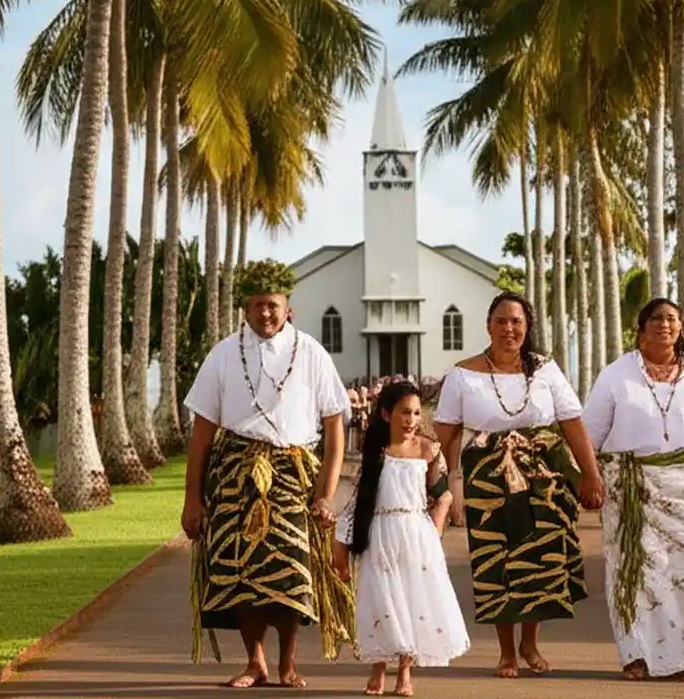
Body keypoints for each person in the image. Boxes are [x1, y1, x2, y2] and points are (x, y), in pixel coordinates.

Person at [179, 259, 355, 689]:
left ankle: (287, 663)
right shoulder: (222, 355)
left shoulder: (312, 352)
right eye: (257, 305)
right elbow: (202, 437)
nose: (266, 314)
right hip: (234, 476)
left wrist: (325, 494)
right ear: (245, 308)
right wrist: (192, 498)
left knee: (292, 569)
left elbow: (335, 431)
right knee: (241, 573)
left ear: (288, 307)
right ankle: (254, 661)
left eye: (274, 305)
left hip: (293, 477)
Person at [432, 290, 605, 679]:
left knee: (540, 557)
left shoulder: (545, 370)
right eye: (501, 321)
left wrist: (590, 474)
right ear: (489, 326)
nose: (509, 329)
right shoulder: (462, 373)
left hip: (543, 474)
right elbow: (443, 437)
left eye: (517, 322)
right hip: (488, 479)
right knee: (496, 559)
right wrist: (435, 485)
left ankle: (531, 642)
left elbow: (572, 424)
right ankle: (506, 652)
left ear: (527, 328)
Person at [582, 298, 684, 682]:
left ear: (681, 328)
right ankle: (636, 655)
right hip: (632, 492)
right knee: (635, 573)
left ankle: (681, 659)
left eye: (672, 318)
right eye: (656, 318)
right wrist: (589, 478)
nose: (664, 324)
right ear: (641, 331)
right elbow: (589, 436)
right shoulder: (615, 376)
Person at [332, 381, 470, 696]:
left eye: (416, 413)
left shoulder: (427, 449)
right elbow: (356, 503)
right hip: (381, 534)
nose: (411, 420)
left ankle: (404, 673)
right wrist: (340, 549)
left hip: (416, 535)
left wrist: (436, 524)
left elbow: (443, 494)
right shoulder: (376, 453)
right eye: (404, 412)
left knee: (411, 601)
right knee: (382, 601)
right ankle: (378, 667)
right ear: (386, 414)